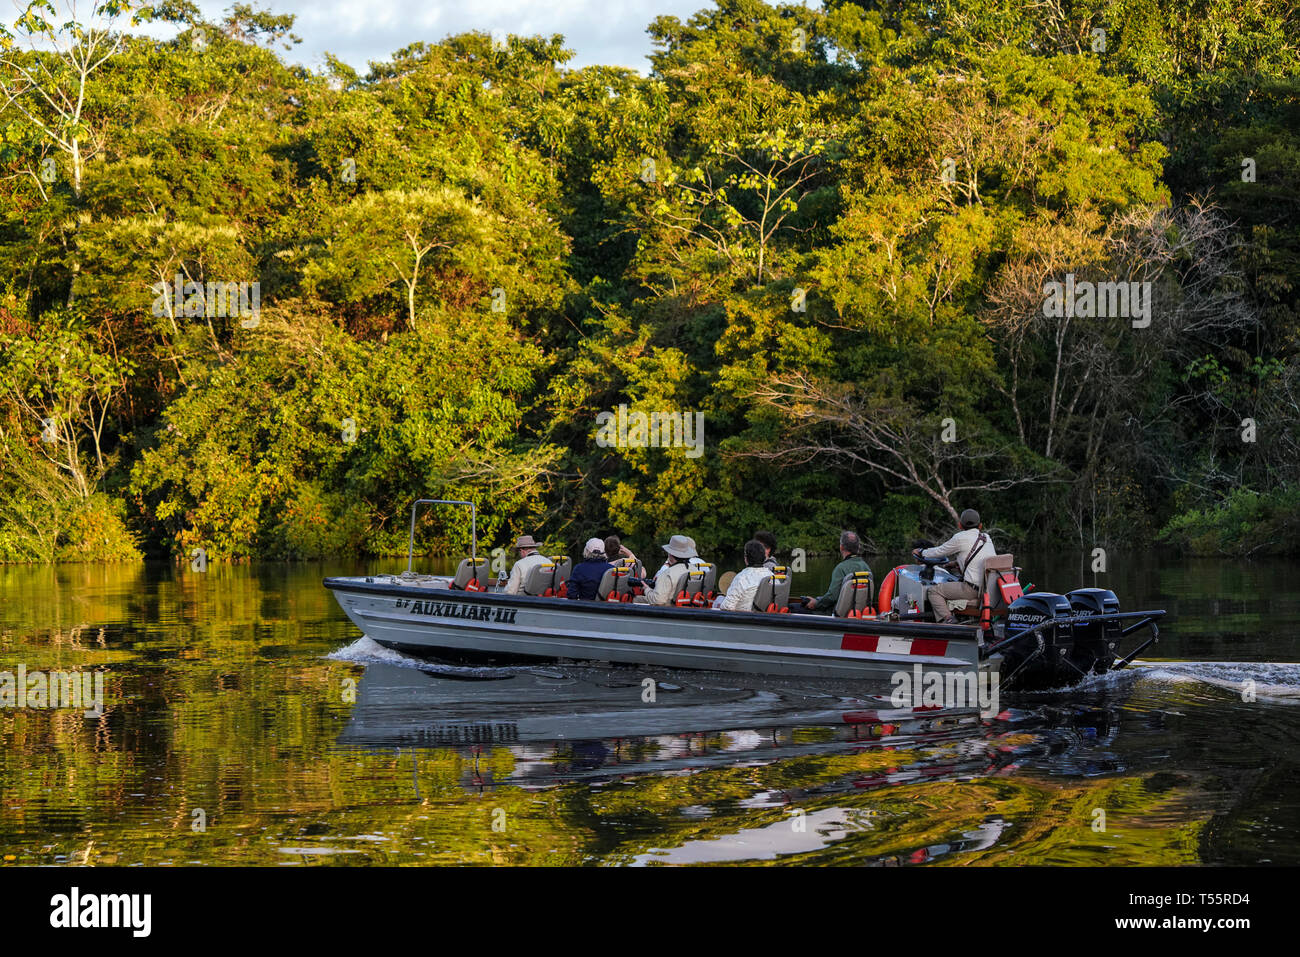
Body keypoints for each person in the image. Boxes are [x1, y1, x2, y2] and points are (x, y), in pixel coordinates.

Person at [913, 509, 996, 623]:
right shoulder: (986, 538)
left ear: (960, 525)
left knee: (934, 591)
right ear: (980, 526)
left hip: (972, 589)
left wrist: (922, 552)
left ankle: (948, 620)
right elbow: (980, 558)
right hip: (988, 589)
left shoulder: (960, 537)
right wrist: (957, 563)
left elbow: (939, 551)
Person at [800, 531, 871, 612]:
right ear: (858, 547)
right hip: (860, 612)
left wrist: (816, 603)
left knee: (794, 607)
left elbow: (832, 597)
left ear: (841, 547)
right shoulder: (866, 567)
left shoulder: (840, 568)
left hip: (839, 613)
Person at [633, 534, 702, 605]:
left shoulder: (667, 573)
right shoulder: (696, 570)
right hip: (688, 606)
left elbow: (658, 600)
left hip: (668, 608)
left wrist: (646, 589)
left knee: (634, 599)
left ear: (670, 554)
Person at [721, 540, 773, 611]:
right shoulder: (772, 576)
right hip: (765, 615)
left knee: (718, 601)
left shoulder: (741, 578)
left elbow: (726, 607)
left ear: (746, 558)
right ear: (763, 557)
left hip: (745, 617)